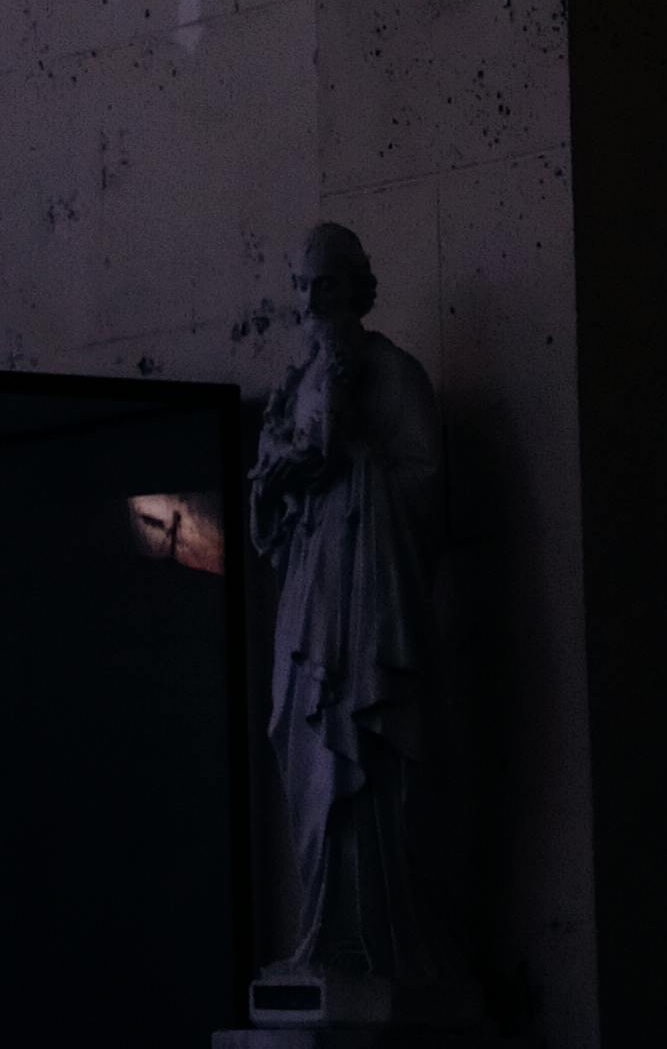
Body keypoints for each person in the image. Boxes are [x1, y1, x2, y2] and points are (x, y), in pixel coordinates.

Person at [251, 224, 461, 1019]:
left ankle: (383, 942)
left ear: (356, 290)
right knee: (299, 739)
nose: (310, 304)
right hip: (313, 595)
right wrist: (280, 480)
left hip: (369, 603)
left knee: (369, 759)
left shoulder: (397, 375)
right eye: (301, 288)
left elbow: (428, 490)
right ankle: (322, 934)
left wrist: (356, 468)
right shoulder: (297, 382)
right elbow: (268, 505)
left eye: (326, 287)